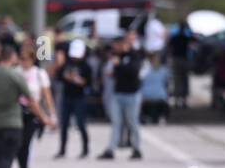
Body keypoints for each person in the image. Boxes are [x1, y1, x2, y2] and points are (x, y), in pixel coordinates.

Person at [16, 45, 57, 168]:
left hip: (33, 111)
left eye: (25, 59)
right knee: (18, 142)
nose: (23, 62)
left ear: (32, 60)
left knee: (26, 142)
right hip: (17, 110)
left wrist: (51, 114)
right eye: (20, 59)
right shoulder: (16, 72)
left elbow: (46, 95)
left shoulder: (39, 74)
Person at [99, 31, 143, 160]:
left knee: (132, 122)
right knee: (116, 122)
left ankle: (137, 148)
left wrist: (120, 66)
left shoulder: (134, 55)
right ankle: (111, 149)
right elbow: (112, 72)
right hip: (118, 94)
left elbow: (134, 72)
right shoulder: (115, 56)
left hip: (132, 95)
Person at [55, 39, 91, 158]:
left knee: (81, 124)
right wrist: (63, 72)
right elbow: (58, 77)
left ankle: (85, 148)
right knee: (64, 124)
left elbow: (88, 83)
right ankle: (62, 149)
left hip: (79, 98)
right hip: (67, 97)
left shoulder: (86, 66)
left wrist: (77, 80)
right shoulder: (67, 64)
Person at [139, 54, 171, 125]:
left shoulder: (144, 71)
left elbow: (139, 83)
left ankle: (145, 117)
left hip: (146, 96)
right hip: (160, 96)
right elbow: (167, 84)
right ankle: (162, 117)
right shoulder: (164, 70)